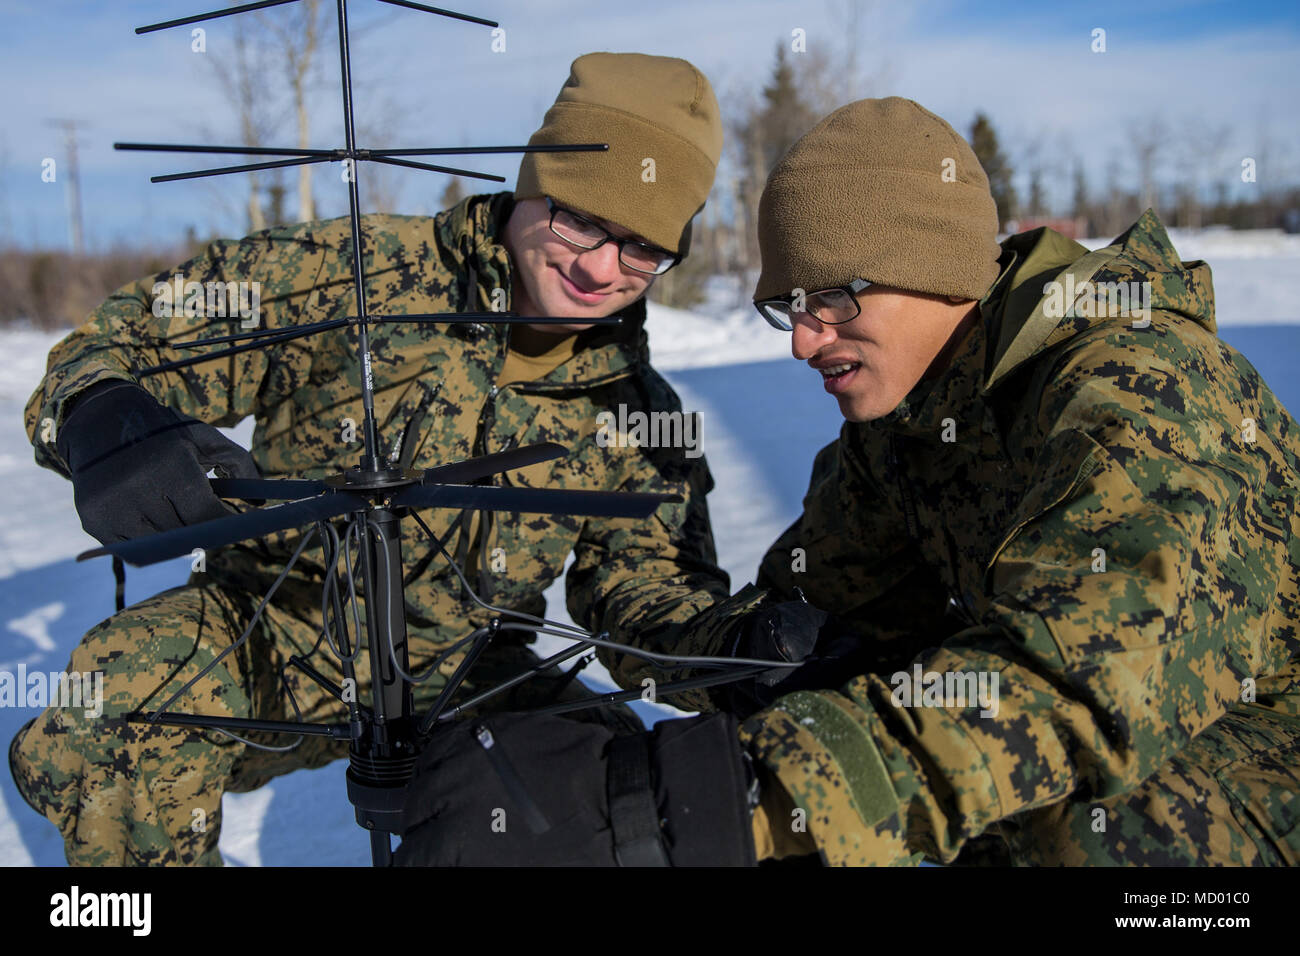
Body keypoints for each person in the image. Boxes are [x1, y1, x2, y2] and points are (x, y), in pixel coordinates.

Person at [394, 97, 1300, 867]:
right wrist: (604, 730)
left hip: (1248, 760)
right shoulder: (901, 429)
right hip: (1125, 732)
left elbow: (1076, 681)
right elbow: (782, 638)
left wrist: (688, 810)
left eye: (831, 297)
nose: (801, 339)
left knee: (1075, 823)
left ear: (933, 267)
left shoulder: (1139, 386)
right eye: (789, 305)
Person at [9, 52, 745, 866]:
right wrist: (103, 421)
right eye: (578, 220)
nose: (599, 268)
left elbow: (645, 592)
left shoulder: (638, 413)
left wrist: (741, 648)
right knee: (114, 706)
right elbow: (120, 348)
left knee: (617, 799)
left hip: (471, 669)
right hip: (277, 627)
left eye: (642, 250)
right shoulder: (355, 275)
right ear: (531, 183)